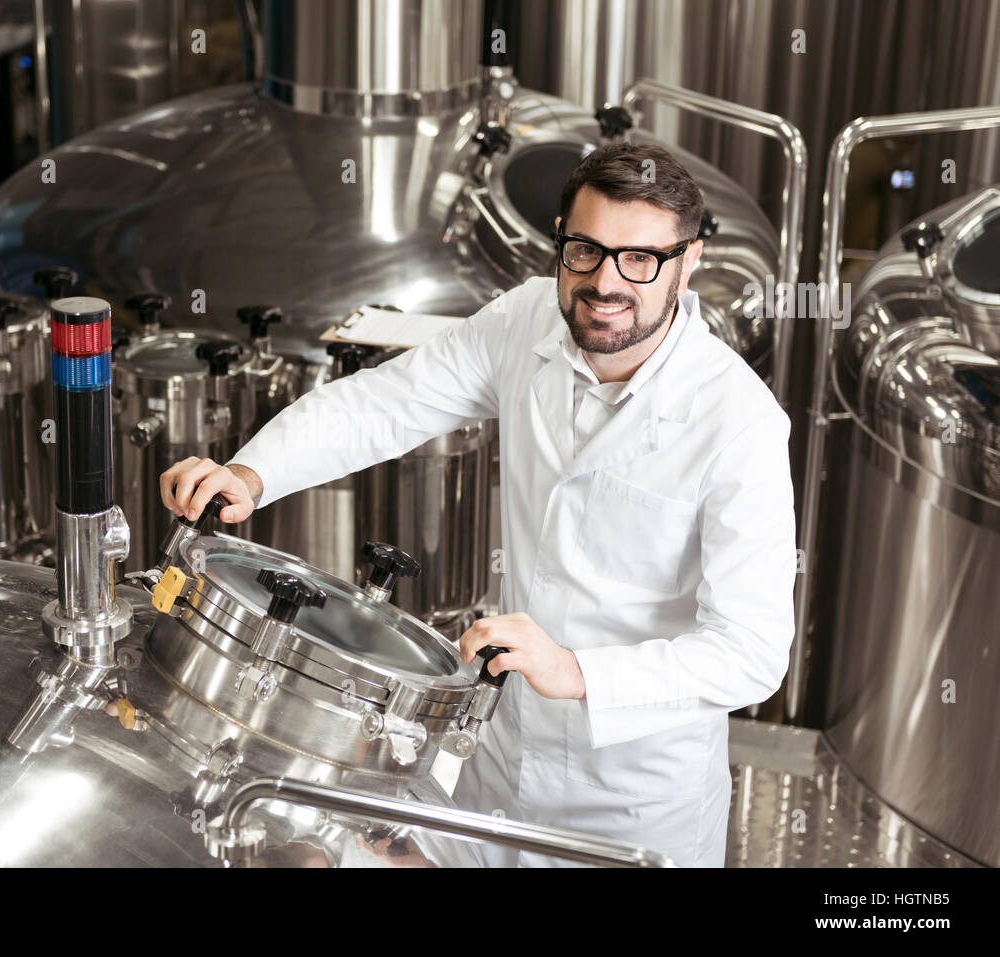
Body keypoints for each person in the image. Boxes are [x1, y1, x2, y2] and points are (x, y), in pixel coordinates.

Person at [158, 142, 796, 867]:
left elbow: (751, 652)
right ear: (560, 237)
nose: (605, 281)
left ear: (689, 261)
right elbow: (385, 403)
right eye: (584, 250)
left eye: (639, 259)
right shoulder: (528, 320)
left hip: (632, 811)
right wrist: (251, 471)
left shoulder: (738, 420)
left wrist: (577, 670)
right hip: (493, 772)